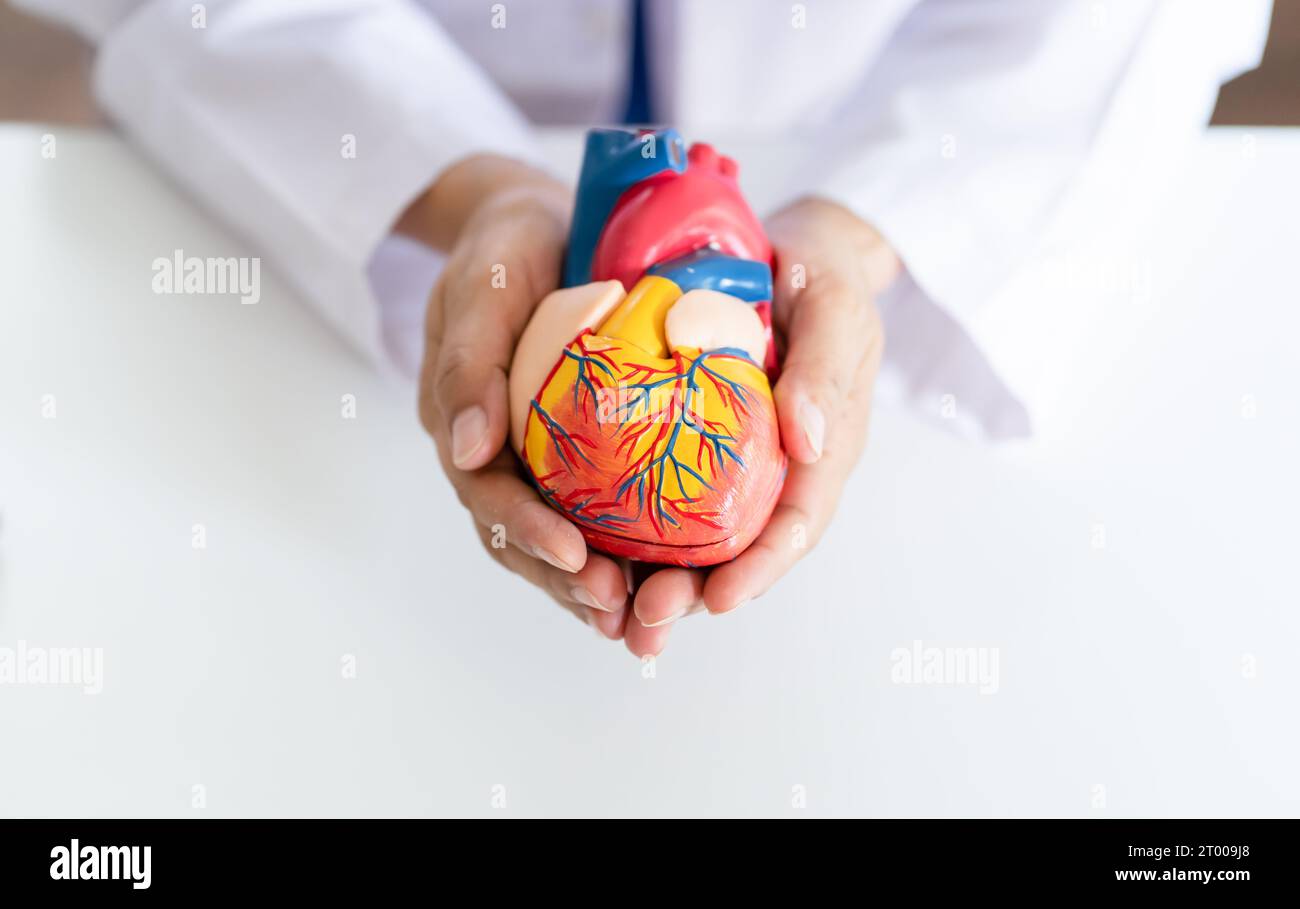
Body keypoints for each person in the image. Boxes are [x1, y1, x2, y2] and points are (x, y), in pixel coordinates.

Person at [15, 0, 1271, 656]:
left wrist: (860, 224)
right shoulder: (636, 316)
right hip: (366, 108)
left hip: (854, 96)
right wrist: (470, 191)